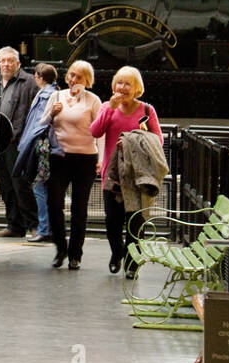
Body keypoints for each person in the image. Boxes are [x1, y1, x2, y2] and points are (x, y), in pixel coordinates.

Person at [91, 65, 163, 277]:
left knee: (136, 222)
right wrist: (109, 109)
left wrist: (133, 141)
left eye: (127, 83)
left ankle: (132, 265)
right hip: (112, 175)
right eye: (119, 83)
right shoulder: (107, 106)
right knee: (112, 221)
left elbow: (157, 139)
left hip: (137, 176)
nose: (122, 87)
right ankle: (116, 253)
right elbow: (95, 131)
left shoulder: (146, 111)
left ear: (136, 88)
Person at [44, 60, 102, 269]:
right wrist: (52, 113)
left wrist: (101, 159)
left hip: (85, 159)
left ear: (87, 80)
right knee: (54, 203)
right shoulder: (56, 96)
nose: (73, 79)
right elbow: (41, 123)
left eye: (78, 76)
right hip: (60, 157)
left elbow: (100, 131)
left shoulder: (93, 101)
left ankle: (75, 254)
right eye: (71, 75)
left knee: (80, 207)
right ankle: (61, 248)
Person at [0, 47, 37, 237]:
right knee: (5, 185)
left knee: (21, 184)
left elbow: (34, 112)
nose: (6, 64)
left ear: (18, 64)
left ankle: (34, 225)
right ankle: (14, 225)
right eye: (2, 61)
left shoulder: (28, 82)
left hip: (18, 141)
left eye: (10, 61)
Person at [18, 63, 59, 244]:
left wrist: (26, 144)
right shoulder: (53, 93)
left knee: (40, 187)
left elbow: (38, 123)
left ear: (40, 77)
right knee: (43, 187)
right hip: (47, 145)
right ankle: (47, 228)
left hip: (41, 146)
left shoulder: (45, 95)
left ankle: (44, 229)